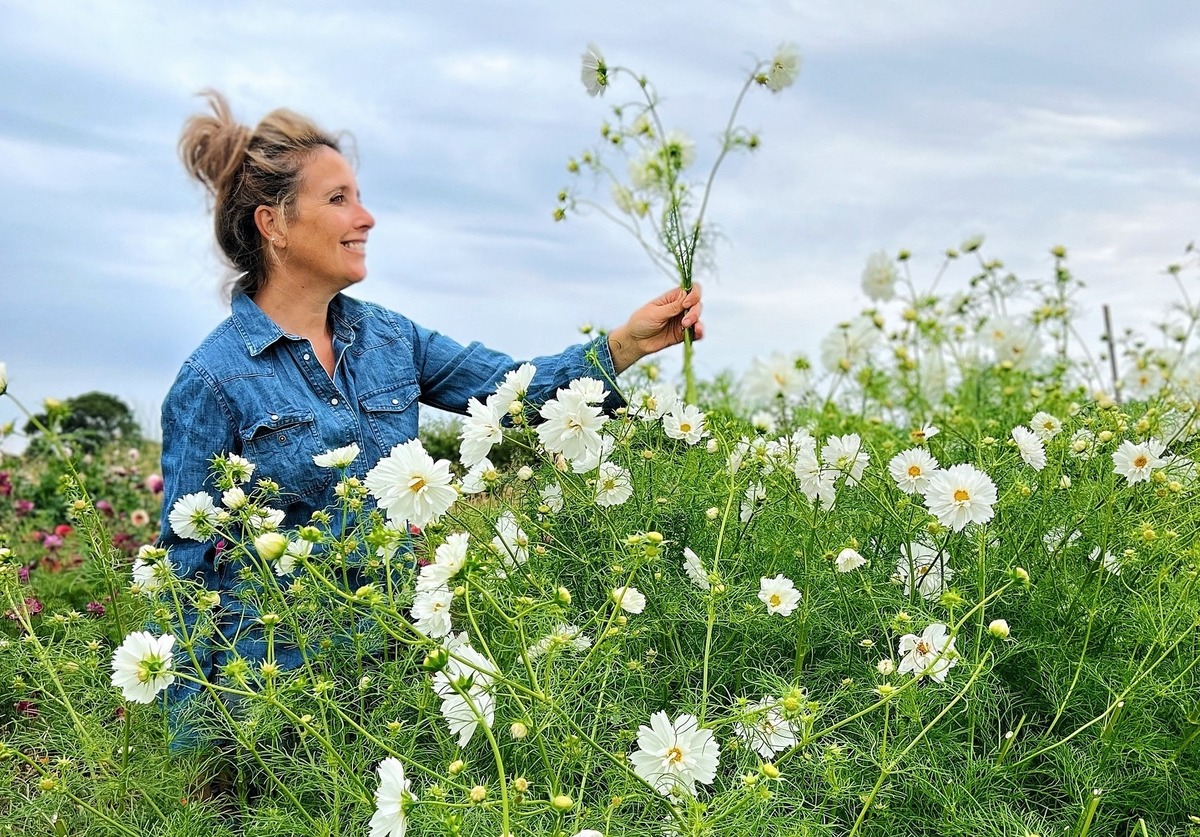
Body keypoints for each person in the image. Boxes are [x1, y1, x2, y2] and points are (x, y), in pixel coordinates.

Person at [156, 90, 703, 749]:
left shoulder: (392, 340)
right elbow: (184, 578)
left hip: (399, 690)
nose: (367, 217)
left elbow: (512, 391)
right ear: (274, 224)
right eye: (339, 200)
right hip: (282, 719)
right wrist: (194, 763)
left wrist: (625, 345)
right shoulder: (212, 380)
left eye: (358, 195)